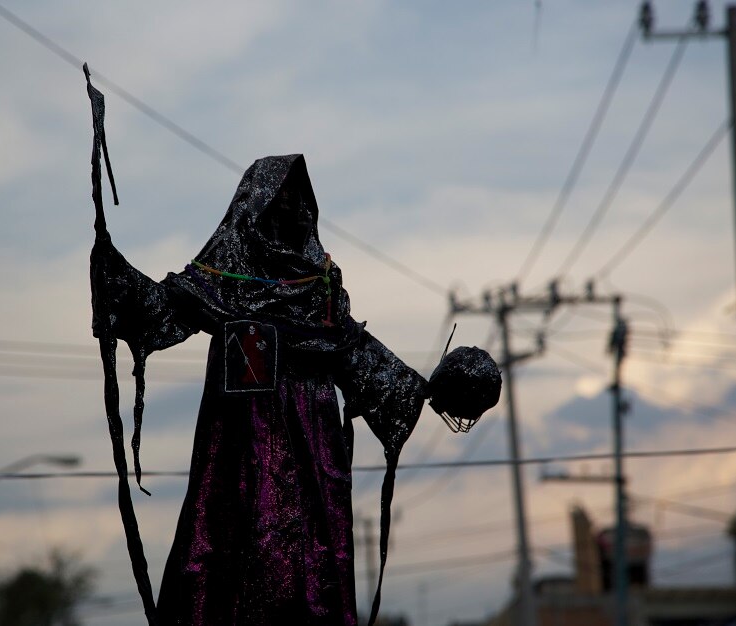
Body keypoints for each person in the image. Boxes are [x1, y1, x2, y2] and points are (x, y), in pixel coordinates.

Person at [85, 71, 500, 626]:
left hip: (311, 451)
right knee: (232, 555)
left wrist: (429, 390)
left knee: (306, 566)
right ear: (253, 208)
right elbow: (161, 309)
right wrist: (113, 273)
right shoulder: (220, 278)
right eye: (277, 205)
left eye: (296, 206)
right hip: (238, 448)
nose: (288, 216)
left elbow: (357, 355)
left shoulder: (321, 288)